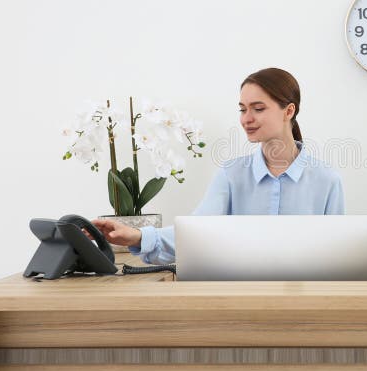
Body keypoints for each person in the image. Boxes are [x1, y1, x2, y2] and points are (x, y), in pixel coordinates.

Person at [93, 68, 345, 264]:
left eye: (258, 109)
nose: (246, 119)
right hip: (238, 300)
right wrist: (138, 236)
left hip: (307, 302)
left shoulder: (327, 180)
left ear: (288, 111)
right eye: (243, 109)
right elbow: (196, 233)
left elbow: (337, 255)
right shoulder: (230, 175)